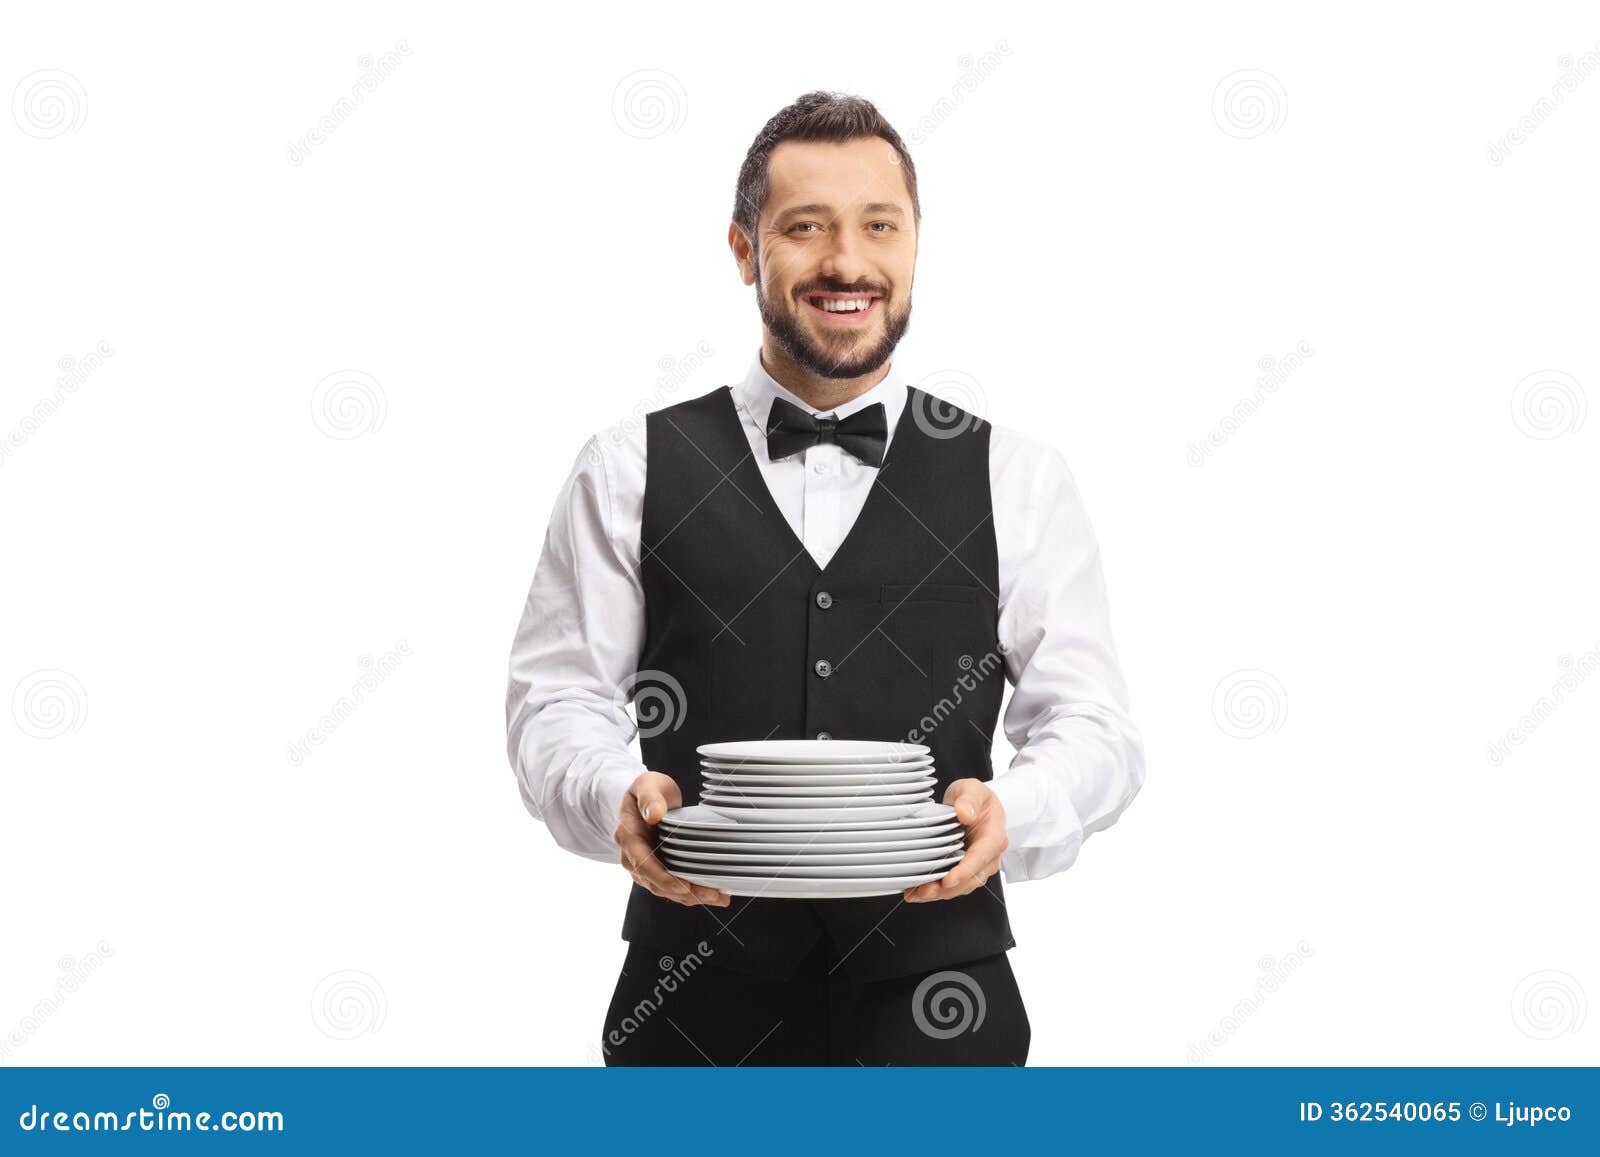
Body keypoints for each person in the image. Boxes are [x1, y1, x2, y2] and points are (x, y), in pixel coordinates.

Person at [505, 91, 1145, 1066]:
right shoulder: (626, 466)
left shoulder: (1017, 476)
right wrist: (611, 793)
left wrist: (1011, 810)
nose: (848, 262)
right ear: (742, 250)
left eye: (879, 225)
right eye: (805, 227)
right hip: (690, 1009)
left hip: (944, 1010)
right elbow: (556, 701)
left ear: (915, 243)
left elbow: (1093, 723)